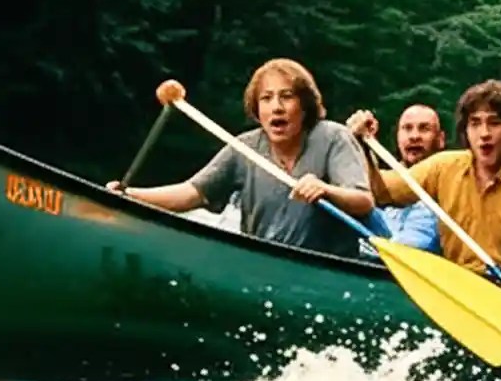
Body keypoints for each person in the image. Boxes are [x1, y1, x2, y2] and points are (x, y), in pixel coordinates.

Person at [106, 58, 377, 259]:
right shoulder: (244, 147)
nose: (277, 107)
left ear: (304, 105)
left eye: (287, 97)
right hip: (263, 263)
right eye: (267, 98)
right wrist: (129, 195)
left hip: (325, 267)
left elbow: (363, 202)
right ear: (257, 109)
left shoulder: (333, 137)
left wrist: (326, 190)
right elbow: (191, 194)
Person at [347, 79, 501, 304]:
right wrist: (362, 146)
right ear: (465, 131)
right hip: (462, 288)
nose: (484, 134)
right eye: (475, 123)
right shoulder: (443, 167)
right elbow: (382, 193)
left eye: (495, 123)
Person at [364, 104, 445, 253]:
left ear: (440, 139)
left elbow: (405, 251)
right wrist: (365, 143)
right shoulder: (389, 188)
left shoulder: (445, 189)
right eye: (407, 128)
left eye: (424, 128)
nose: (414, 136)